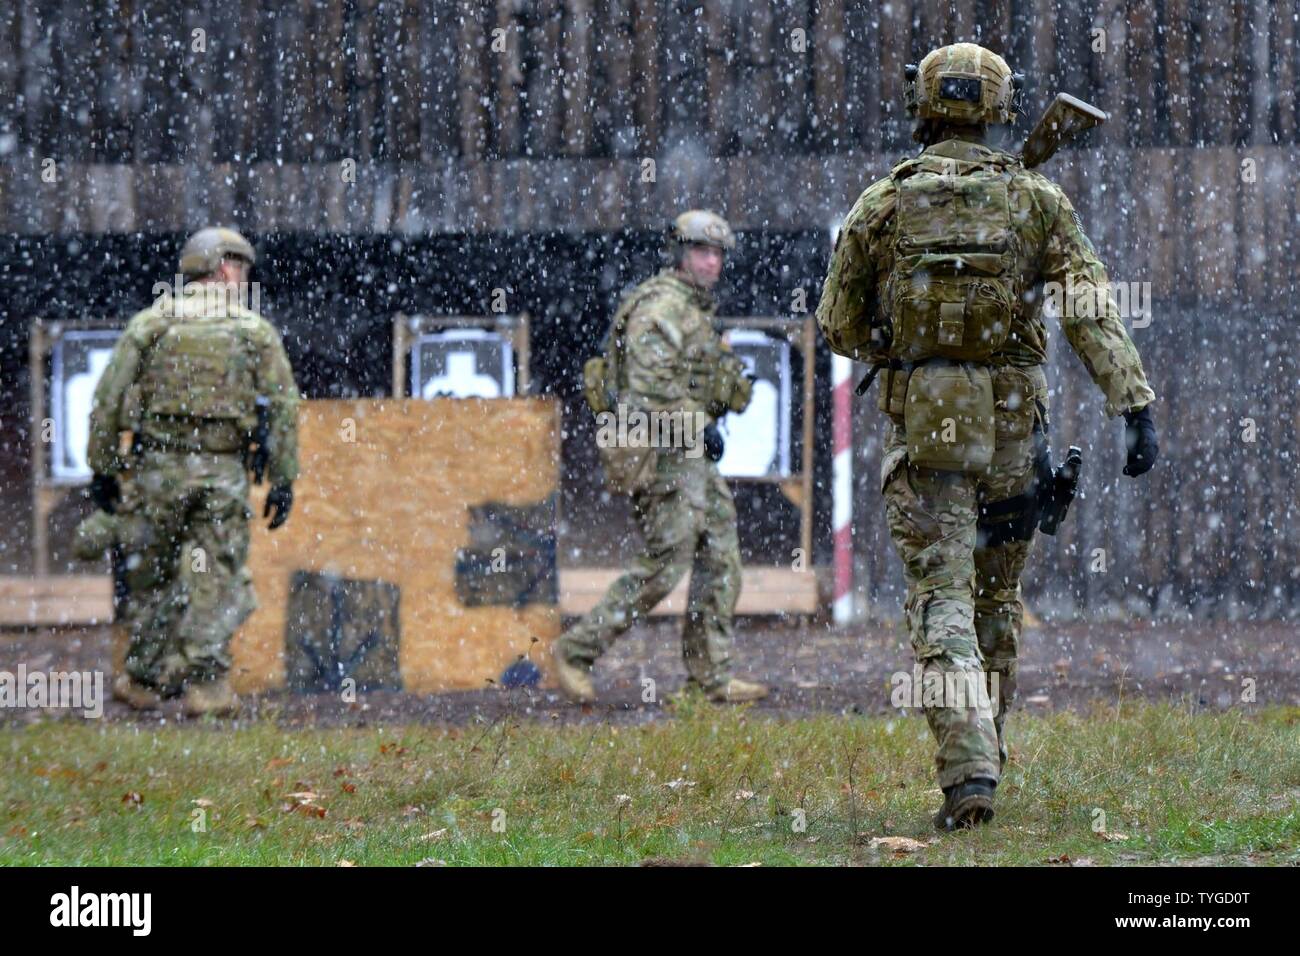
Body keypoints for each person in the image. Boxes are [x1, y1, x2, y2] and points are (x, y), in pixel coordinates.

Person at [816, 44, 1159, 829]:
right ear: (1000, 107)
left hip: (928, 432)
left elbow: (836, 324)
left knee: (942, 600)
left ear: (925, 105)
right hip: (1012, 436)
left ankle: (968, 769)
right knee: (997, 599)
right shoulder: (1037, 200)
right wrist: (1134, 405)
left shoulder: (883, 203)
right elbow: (1088, 308)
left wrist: (904, 348)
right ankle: (987, 752)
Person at [553, 210, 769, 704]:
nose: (711, 262)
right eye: (700, 251)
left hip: (689, 456)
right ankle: (576, 650)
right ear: (679, 255)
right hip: (663, 455)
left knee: (721, 557)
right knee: (663, 565)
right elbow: (644, 397)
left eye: (717, 254)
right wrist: (702, 425)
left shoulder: (692, 310)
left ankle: (709, 678)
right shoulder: (661, 310)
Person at [84, 227, 300, 716]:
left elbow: (107, 400)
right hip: (221, 474)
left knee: (153, 576)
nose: (244, 279)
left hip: (156, 473)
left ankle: (142, 678)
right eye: (241, 268)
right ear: (225, 266)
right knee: (216, 576)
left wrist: (102, 469)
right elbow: (284, 407)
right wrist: (283, 479)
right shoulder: (251, 331)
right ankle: (206, 686)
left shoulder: (150, 325)